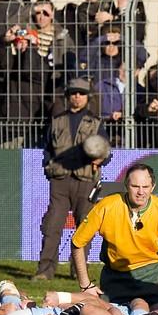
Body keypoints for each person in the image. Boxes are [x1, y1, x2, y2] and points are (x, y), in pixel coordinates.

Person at [70, 163, 158, 306]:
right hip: (115, 276)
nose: (141, 192)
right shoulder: (107, 206)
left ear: (153, 187)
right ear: (126, 185)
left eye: (145, 187)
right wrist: (85, 284)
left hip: (152, 275)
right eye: (135, 186)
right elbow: (77, 242)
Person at [34, 77, 107, 281]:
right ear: (67, 96)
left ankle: (78, 273)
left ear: (87, 97)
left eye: (81, 93)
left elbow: (106, 151)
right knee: (52, 226)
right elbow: (48, 148)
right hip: (60, 180)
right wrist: (49, 166)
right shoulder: (57, 121)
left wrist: (100, 160)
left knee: (84, 228)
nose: (77, 97)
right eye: (73, 93)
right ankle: (44, 271)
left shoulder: (96, 123)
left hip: (86, 181)